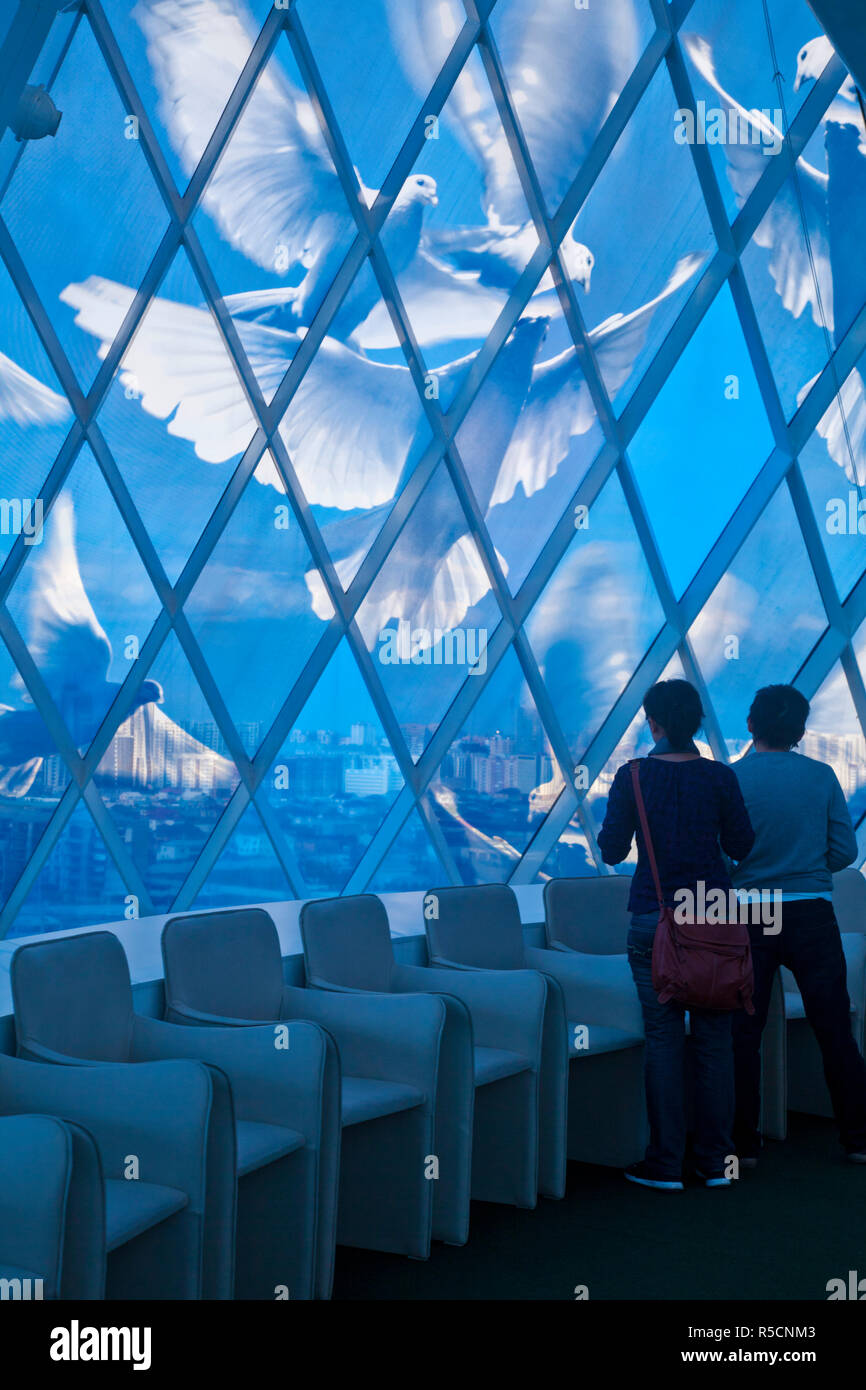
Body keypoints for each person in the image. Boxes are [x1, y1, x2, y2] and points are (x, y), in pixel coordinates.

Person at [598, 678, 755, 1190]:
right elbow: (742, 843)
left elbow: (612, 851)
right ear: (698, 722)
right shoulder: (719, 778)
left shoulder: (634, 776)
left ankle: (665, 1163)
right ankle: (716, 1163)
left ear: (653, 723)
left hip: (654, 918)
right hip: (713, 920)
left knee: (663, 1041)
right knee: (714, 1042)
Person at [730, 684, 866, 1165]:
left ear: (751, 724)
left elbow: (721, 854)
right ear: (800, 731)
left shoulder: (732, 778)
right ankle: (858, 1138)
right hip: (811, 911)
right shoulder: (821, 775)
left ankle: (744, 1145)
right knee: (834, 1028)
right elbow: (846, 852)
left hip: (748, 913)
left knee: (743, 1033)